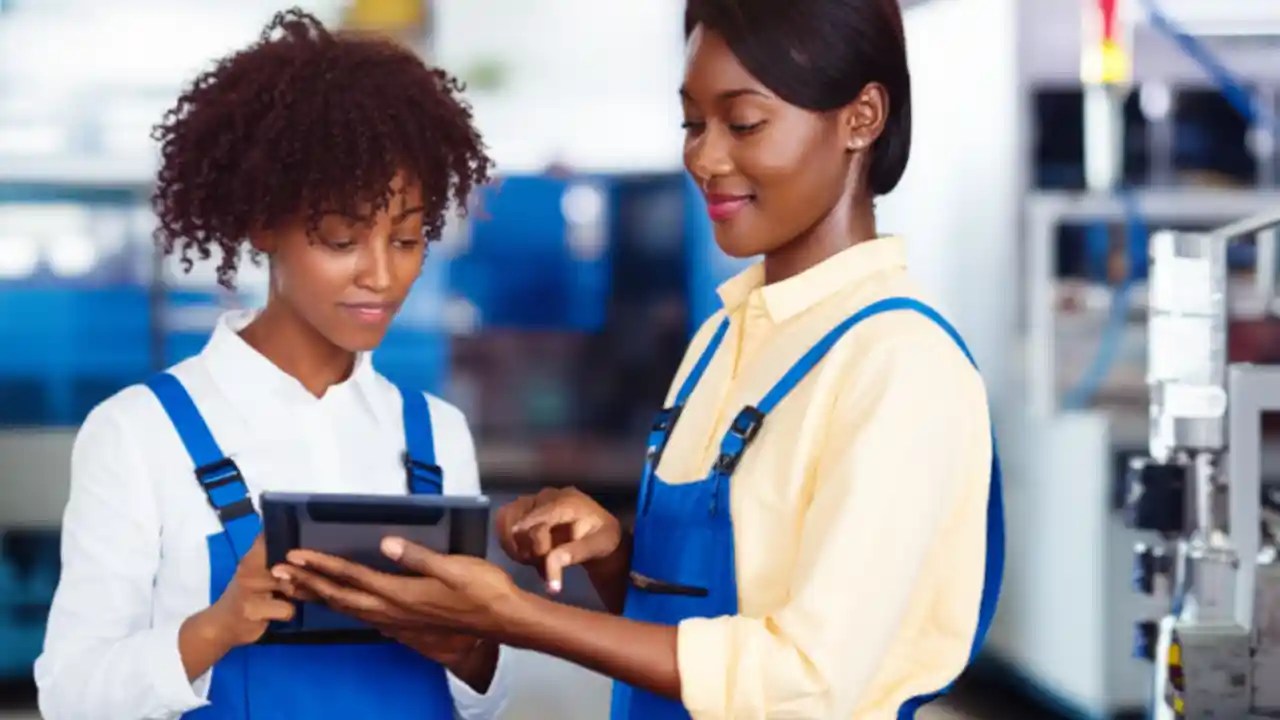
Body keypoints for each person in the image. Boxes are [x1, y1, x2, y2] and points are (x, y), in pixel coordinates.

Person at [277, 0, 1005, 718]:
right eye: (693, 123)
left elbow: (809, 681)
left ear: (862, 117)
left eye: (743, 123)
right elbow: (696, 632)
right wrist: (609, 553)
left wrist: (519, 617)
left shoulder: (900, 367)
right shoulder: (724, 338)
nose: (705, 157)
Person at [34, 9, 507, 720]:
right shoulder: (140, 434)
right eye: (343, 237)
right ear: (264, 224)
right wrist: (212, 631)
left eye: (407, 240)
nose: (381, 274)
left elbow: (482, 701)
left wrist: (470, 649)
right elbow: (71, 695)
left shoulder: (438, 435)